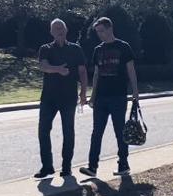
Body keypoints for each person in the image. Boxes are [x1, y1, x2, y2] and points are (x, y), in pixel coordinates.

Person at [80, 17, 139, 178]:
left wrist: (135, 93)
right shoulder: (98, 50)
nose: (100, 34)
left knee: (120, 131)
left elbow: (131, 70)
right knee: (96, 132)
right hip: (101, 98)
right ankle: (92, 167)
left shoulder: (123, 47)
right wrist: (92, 97)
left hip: (118, 96)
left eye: (102, 31)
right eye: (97, 32)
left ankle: (123, 165)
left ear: (110, 28)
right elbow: (97, 74)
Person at [34, 19, 88, 179]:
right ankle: (47, 167)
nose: (59, 31)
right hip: (49, 97)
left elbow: (83, 72)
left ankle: (66, 167)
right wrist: (57, 69)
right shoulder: (45, 49)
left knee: (68, 132)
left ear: (66, 30)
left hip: (68, 97)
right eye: (56, 28)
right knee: (43, 131)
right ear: (51, 32)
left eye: (62, 28)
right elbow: (43, 66)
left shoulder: (75, 49)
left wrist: (83, 93)